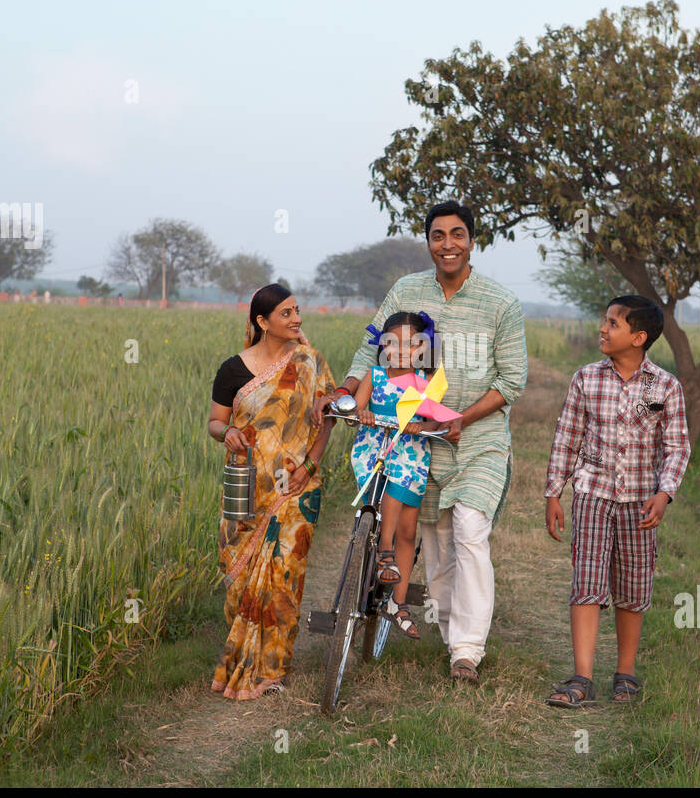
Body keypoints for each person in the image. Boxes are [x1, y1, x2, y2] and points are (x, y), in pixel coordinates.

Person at [312, 200, 527, 684]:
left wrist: (463, 419)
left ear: (473, 241)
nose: (447, 244)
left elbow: (512, 382)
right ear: (428, 241)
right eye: (437, 236)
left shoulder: (501, 303)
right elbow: (371, 348)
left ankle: (466, 652)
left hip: (477, 436)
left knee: (469, 530)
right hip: (410, 437)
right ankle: (448, 629)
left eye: (457, 235)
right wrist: (347, 392)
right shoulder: (406, 290)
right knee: (433, 538)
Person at [542, 295, 691, 707]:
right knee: (586, 581)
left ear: (639, 337)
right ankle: (581, 678)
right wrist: (554, 491)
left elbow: (677, 446)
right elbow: (567, 437)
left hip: (641, 500)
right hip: (592, 493)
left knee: (633, 585)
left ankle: (625, 674)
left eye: (613, 323)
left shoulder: (665, 387)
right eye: (605, 321)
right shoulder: (586, 379)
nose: (603, 329)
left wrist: (665, 493)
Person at [207, 283, 335, 700]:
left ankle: (273, 669)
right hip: (245, 488)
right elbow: (214, 422)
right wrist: (226, 433)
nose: (296, 318)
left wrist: (310, 465)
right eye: (286, 313)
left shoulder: (311, 362)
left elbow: (326, 420)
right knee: (241, 582)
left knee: (285, 577)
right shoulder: (233, 370)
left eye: (297, 310)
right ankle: (243, 657)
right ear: (262, 322)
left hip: (299, 486)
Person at [350, 311, 448, 639]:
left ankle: (399, 602)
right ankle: (384, 553)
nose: (401, 350)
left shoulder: (426, 383)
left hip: (412, 452)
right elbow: (356, 410)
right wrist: (361, 414)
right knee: (394, 478)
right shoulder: (374, 376)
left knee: (409, 529)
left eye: (411, 344)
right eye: (392, 343)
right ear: (382, 345)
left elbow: (436, 420)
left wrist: (424, 424)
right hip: (375, 450)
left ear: (423, 348)